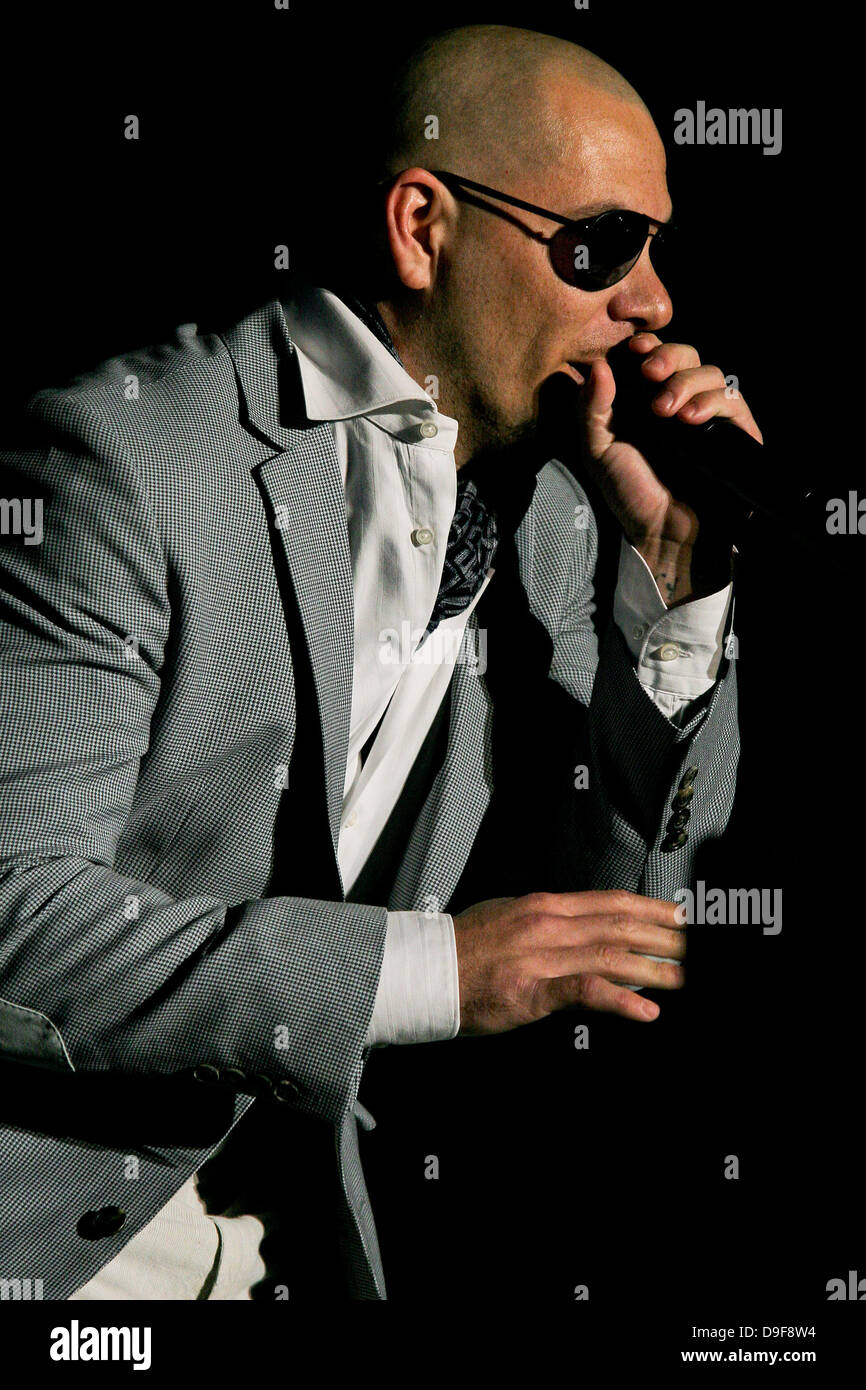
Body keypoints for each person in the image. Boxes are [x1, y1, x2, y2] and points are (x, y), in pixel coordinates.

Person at [0, 24, 756, 1300]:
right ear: (421, 225)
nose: (651, 303)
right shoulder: (128, 460)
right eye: (601, 245)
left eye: (655, 249)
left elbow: (634, 907)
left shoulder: (556, 513)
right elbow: (13, 913)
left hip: (287, 1246)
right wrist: (430, 973)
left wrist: (676, 579)